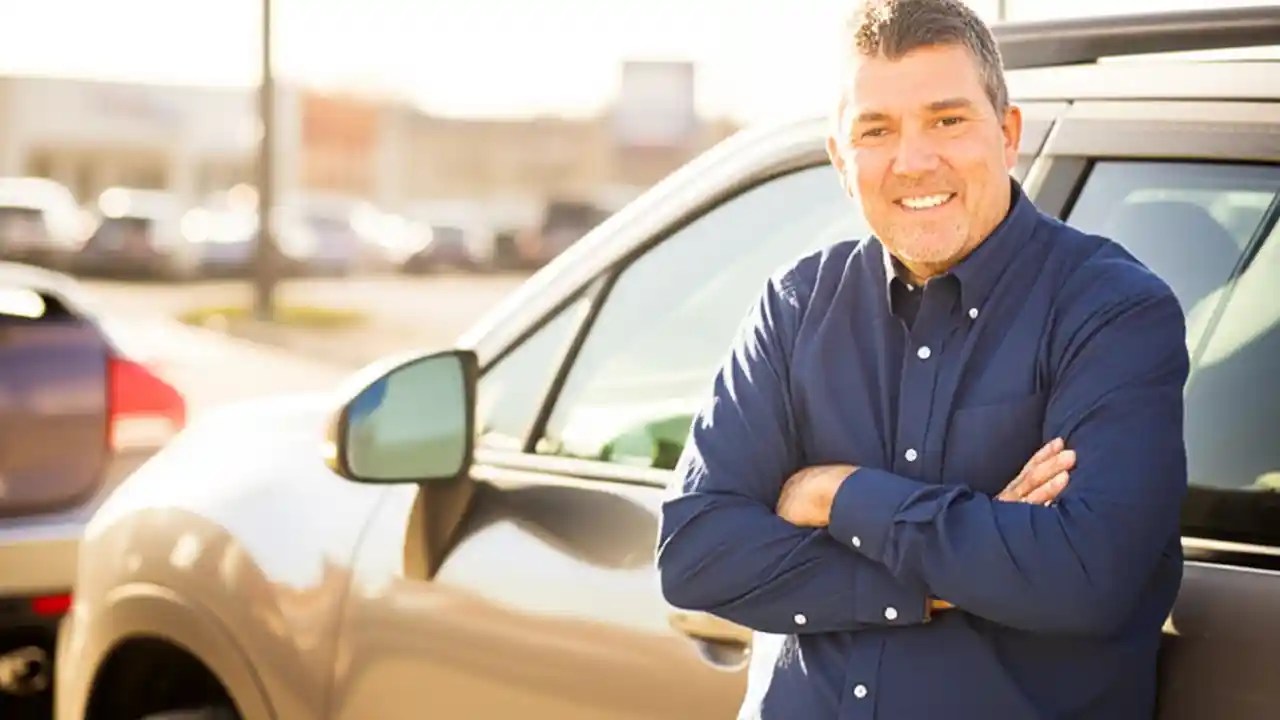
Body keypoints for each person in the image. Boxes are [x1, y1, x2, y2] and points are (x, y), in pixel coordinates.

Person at [655, 0, 1189, 717]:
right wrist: (949, 571)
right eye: (876, 130)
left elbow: (1085, 575)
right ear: (841, 161)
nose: (913, 160)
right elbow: (696, 555)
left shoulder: (1113, 313)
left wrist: (836, 495)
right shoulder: (794, 307)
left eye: (947, 119)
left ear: (1007, 135)